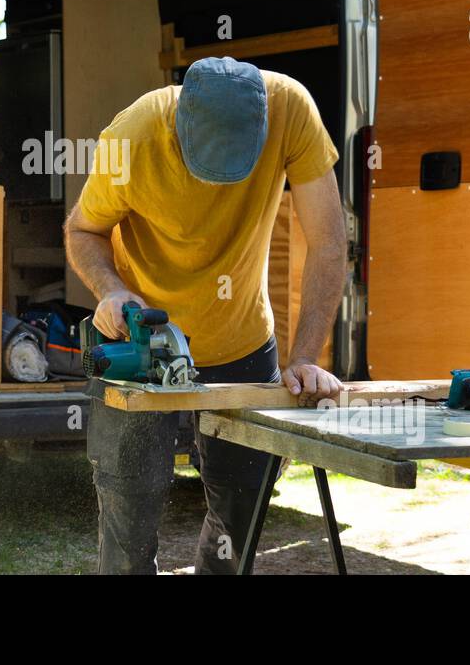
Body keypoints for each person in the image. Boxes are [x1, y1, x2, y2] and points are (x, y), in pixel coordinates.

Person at [65, 56, 347, 574]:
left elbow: (329, 243)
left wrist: (306, 356)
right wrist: (112, 290)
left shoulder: (291, 109)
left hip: (240, 338)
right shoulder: (133, 136)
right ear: (177, 125)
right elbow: (83, 230)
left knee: (243, 511)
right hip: (144, 349)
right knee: (128, 520)